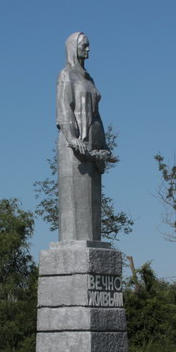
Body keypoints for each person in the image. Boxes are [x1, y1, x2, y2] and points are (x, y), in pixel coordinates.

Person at [55, 32, 114, 241]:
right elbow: (64, 110)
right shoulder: (66, 75)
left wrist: (104, 146)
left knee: (93, 202)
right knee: (76, 201)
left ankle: (93, 243)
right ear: (73, 48)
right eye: (84, 46)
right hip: (75, 146)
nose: (88, 50)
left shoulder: (88, 78)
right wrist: (73, 138)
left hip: (93, 146)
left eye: (89, 46)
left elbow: (96, 114)